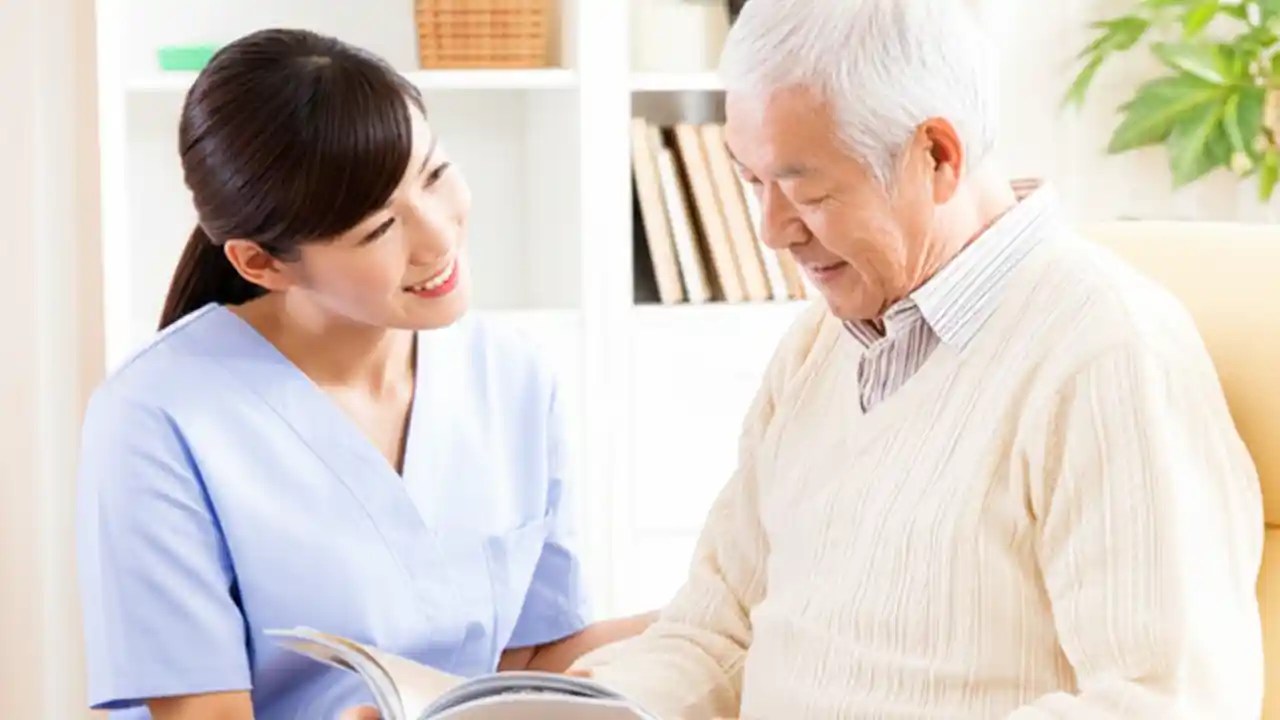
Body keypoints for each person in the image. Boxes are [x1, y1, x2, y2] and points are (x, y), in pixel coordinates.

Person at [569, 0, 1266, 718]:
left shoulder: (1106, 354)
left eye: (807, 191)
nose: (772, 231)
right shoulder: (820, 346)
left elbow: (1167, 702)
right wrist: (581, 710)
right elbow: (716, 634)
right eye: (752, 183)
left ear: (937, 155)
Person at [75, 28, 651, 720]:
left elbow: (527, 664)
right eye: (381, 228)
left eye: (435, 175)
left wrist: (725, 619)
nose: (439, 236)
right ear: (263, 263)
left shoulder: (514, 377)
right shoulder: (154, 417)